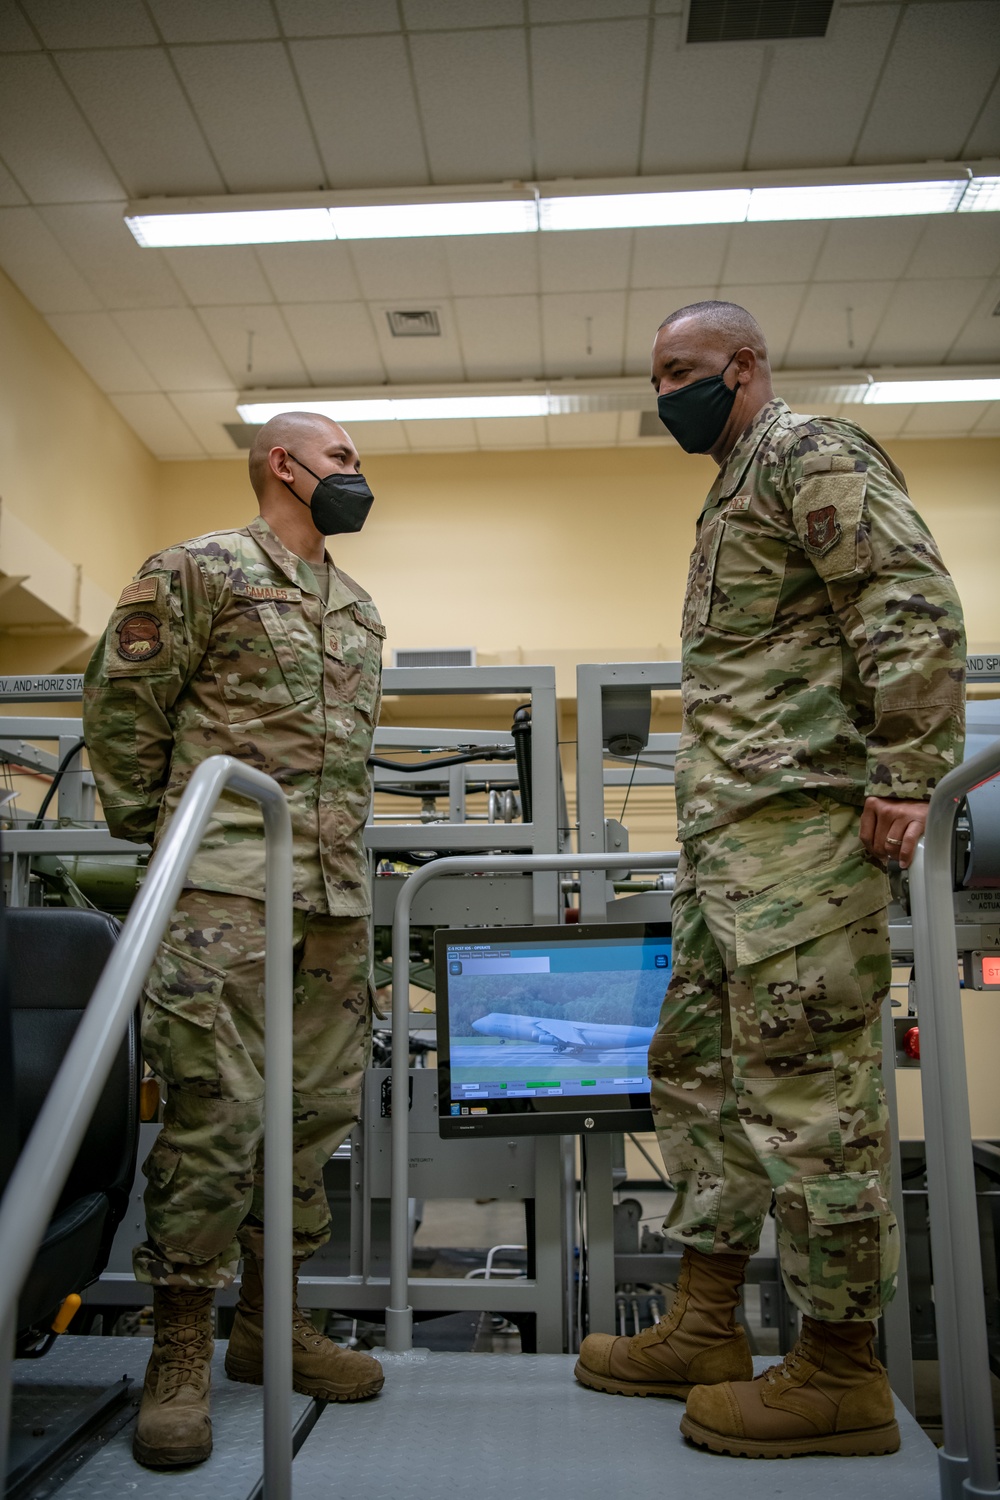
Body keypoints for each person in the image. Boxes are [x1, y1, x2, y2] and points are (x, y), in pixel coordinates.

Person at [574, 301, 965, 1458]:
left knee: (812, 1106)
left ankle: (839, 1370)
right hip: (731, 852)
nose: (665, 394)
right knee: (695, 1072)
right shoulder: (735, 486)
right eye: (654, 377)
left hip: (800, 845)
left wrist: (905, 773)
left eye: (683, 370)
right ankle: (704, 1323)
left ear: (743, 367)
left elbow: (909, 606)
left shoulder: (808, 453)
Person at [84, 411, 387, 1469]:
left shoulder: (357, 610)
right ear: (283, 464)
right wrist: (171, 842)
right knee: (217, 1116)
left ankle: (271, 1326)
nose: (359, 475)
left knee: (309, 1122)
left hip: (332, 901)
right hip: (223, 893)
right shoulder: (198, 569)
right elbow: (124, 714)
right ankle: (178, 1348)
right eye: (344, 458)